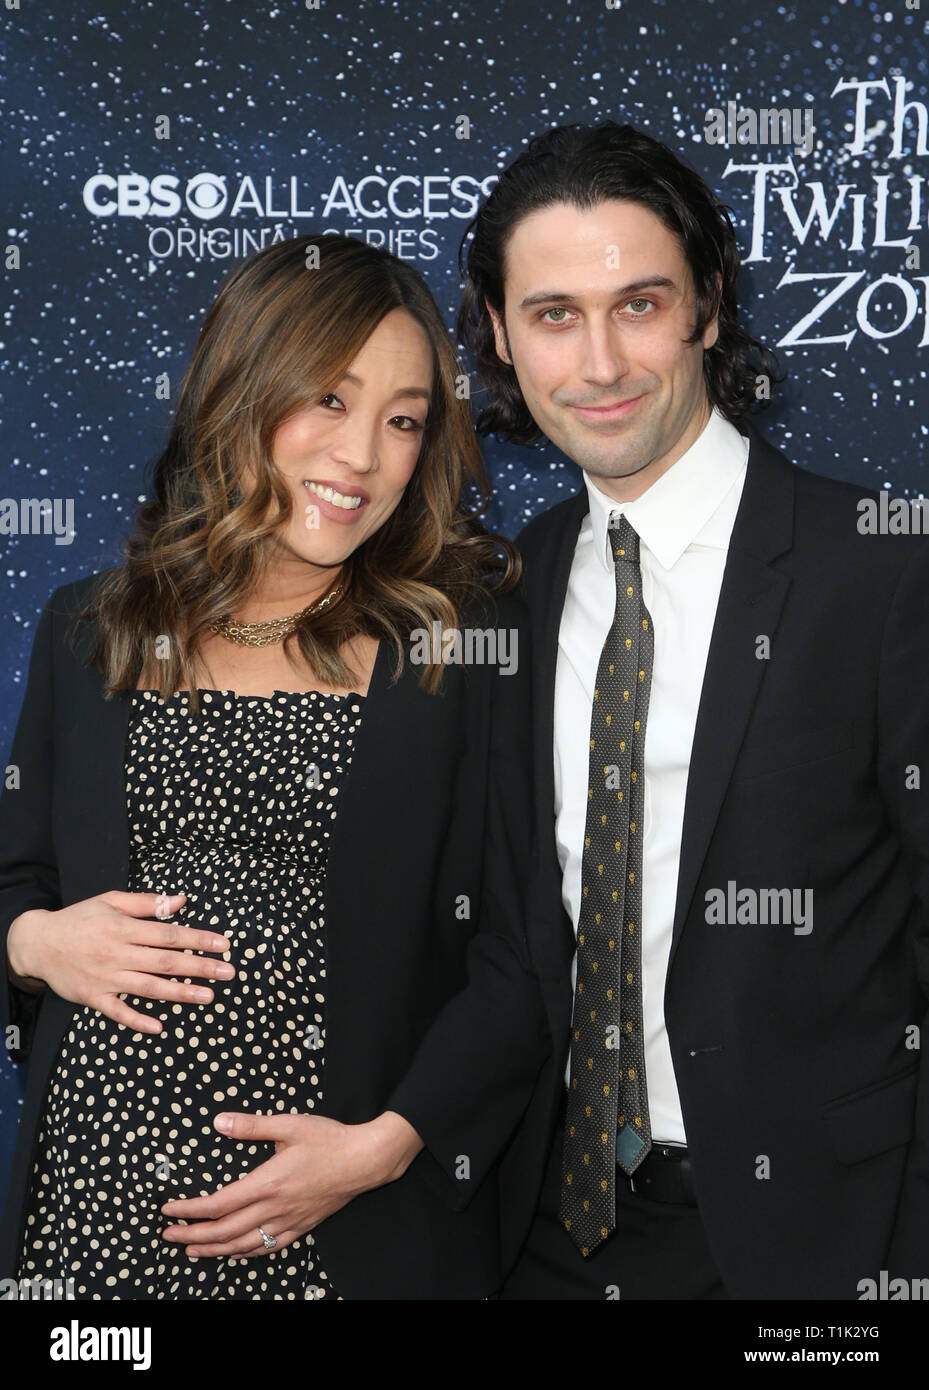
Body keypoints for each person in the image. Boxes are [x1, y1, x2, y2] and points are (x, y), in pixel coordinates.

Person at [0, 232, 552, 1300]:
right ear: (240, 388)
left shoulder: (460, 645)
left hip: (355, 1220)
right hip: (97, 1218)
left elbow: (526, 952)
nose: (362, 456)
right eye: (330, 401)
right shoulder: (90, 629)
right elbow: (16, 882)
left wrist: (390, 1142)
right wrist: (34, 940)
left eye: (403, 421)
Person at [455, 119, 929, 1299]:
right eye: (554, 314)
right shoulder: (509, 585)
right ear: (501, 340)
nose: (601, 364)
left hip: (823, 1234)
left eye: (639, 304)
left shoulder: (878, 565)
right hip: (548, 1230)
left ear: (708, 309)